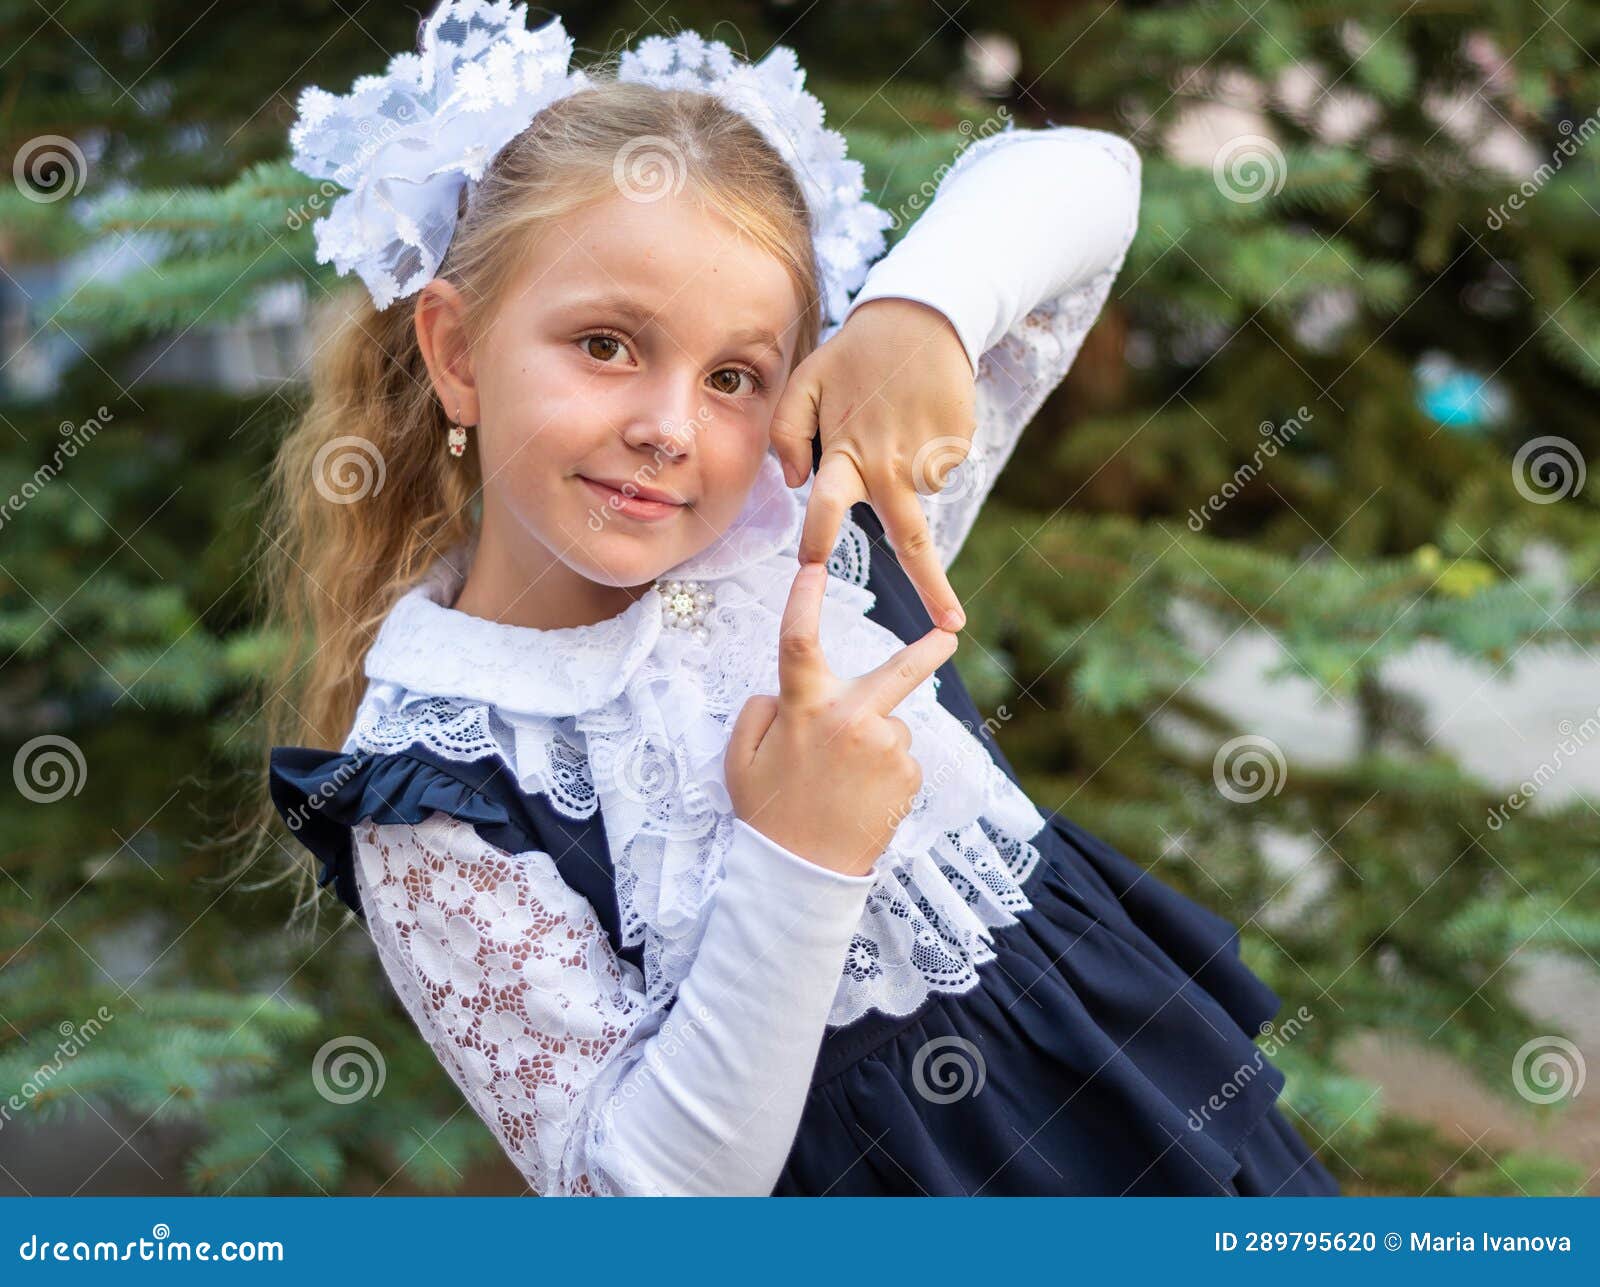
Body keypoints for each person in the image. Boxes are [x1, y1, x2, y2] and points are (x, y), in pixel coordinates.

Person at [264, 0, 1340, 1198]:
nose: (669, 428)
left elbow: (1088, 175)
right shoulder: (439, 789)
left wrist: (918, 314)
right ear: (458, 354)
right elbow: (648, 1200)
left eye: (734, 374)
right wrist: (800, 855)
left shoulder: (817, 509)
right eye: (607, 344)